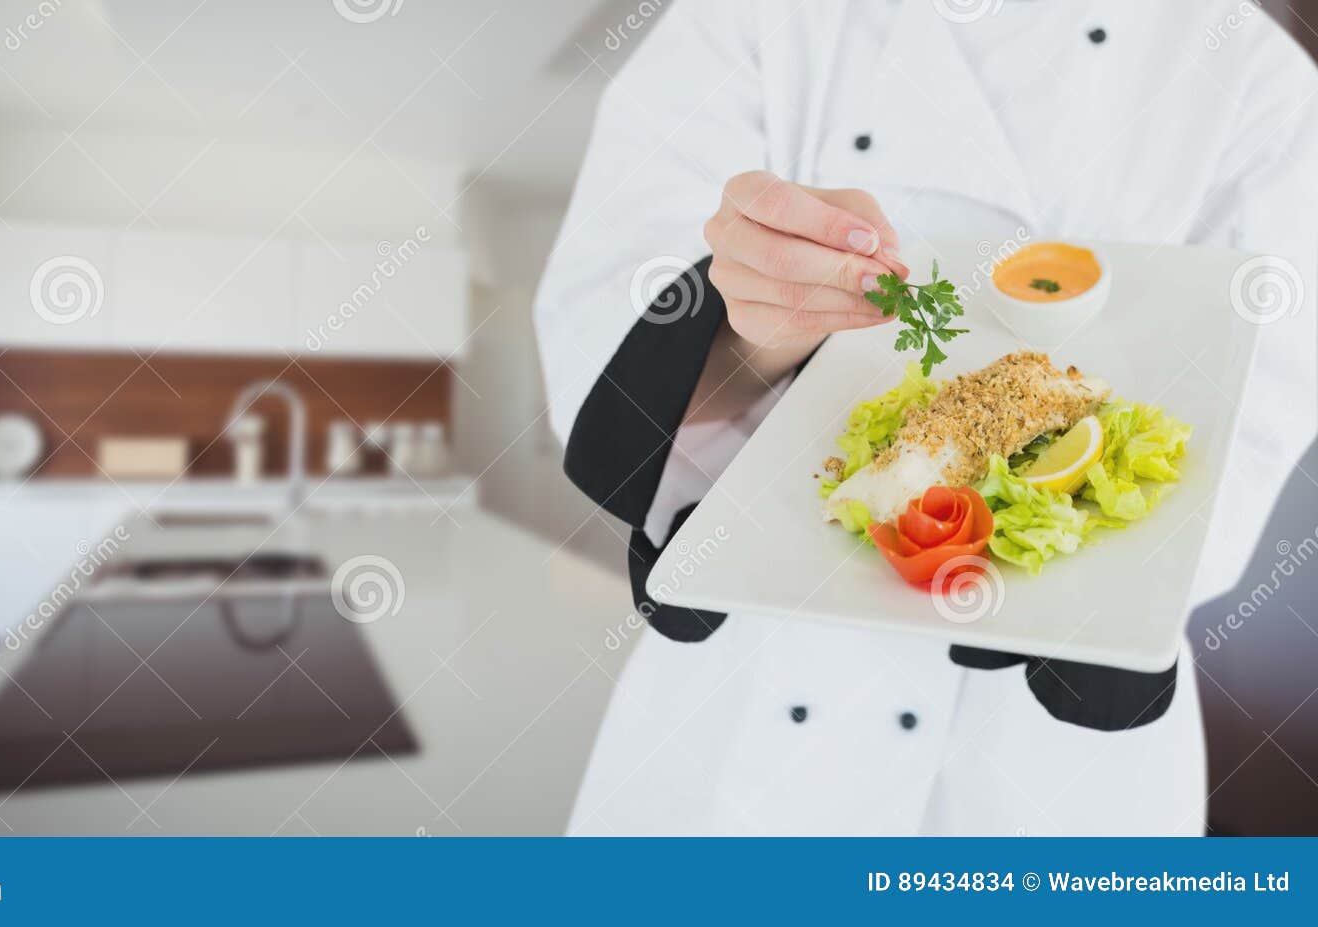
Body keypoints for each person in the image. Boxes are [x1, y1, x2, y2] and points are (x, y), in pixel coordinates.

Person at [534, 0, 1317, 835]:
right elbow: (602, 319)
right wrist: (741, 324)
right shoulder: (749, 19)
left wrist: (1086, 591)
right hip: (750, 700)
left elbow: (1259, 400)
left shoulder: (1249, 71)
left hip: (1041, 761)